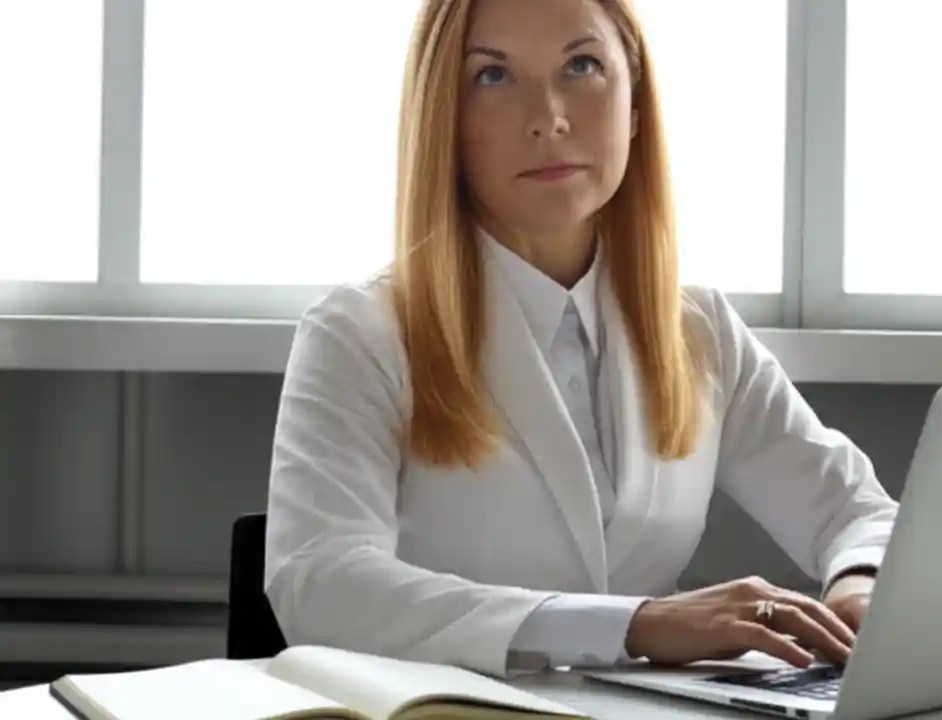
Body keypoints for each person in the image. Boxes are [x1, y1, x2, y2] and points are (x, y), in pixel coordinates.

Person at [264, 0, 899, 678]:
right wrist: (635, 625)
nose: (548, 118)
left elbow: (858, 513)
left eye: (582, 65)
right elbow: (320, 585)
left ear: (633, 107)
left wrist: (860, 588)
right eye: (493, 77)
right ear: (442, 117)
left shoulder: (698, 329)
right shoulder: (359, 333)